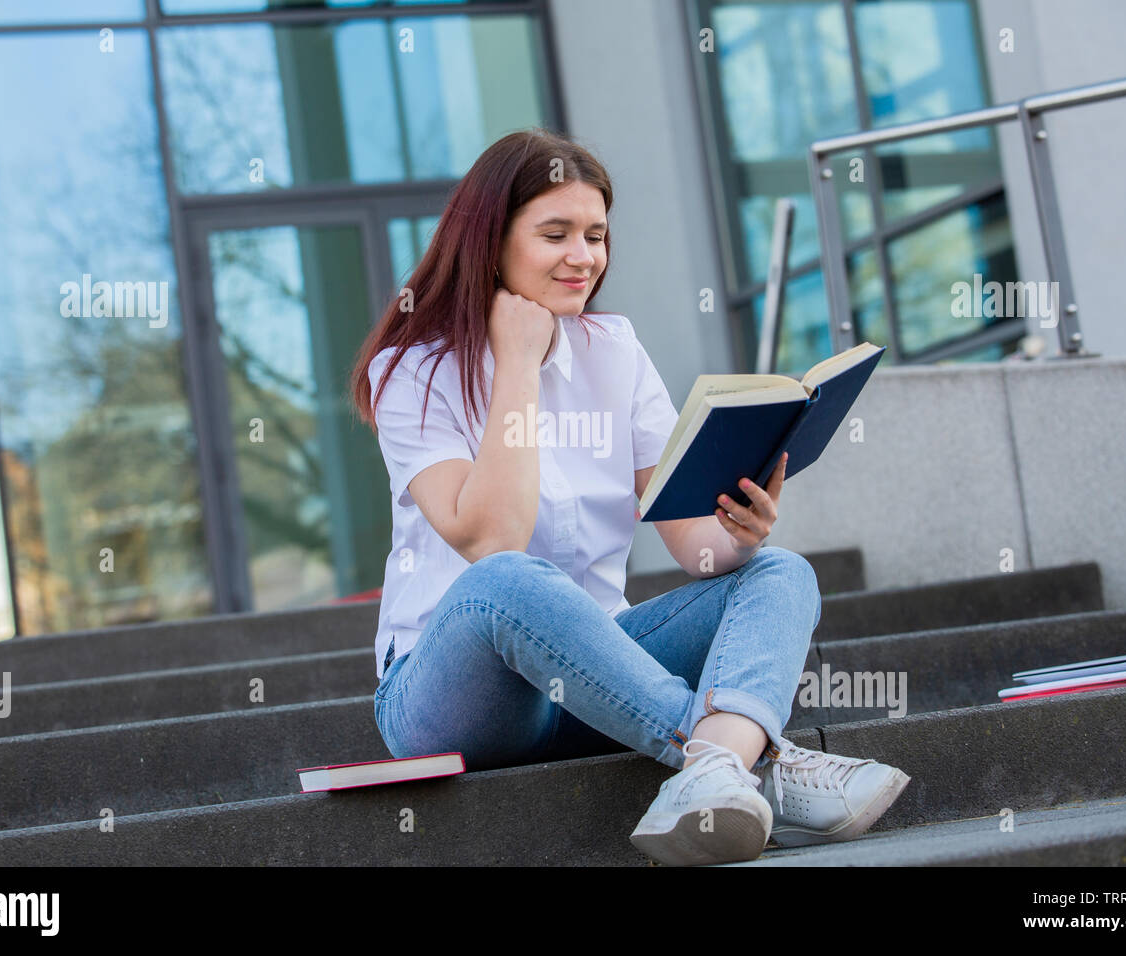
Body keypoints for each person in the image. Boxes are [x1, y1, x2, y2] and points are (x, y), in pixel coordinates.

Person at [348, 128, 909, 866]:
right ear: (490, 240)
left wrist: (739, 532)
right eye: (556, 234)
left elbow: (691, 547)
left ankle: (714, 772)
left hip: (597, 679)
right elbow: (495, 541)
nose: (583, 257)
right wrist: (517, 360)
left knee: (780, 572)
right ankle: (746, 762)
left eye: (596, 235)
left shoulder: (614, 352)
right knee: (507, 582)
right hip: (454, 695)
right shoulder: (413, 372)